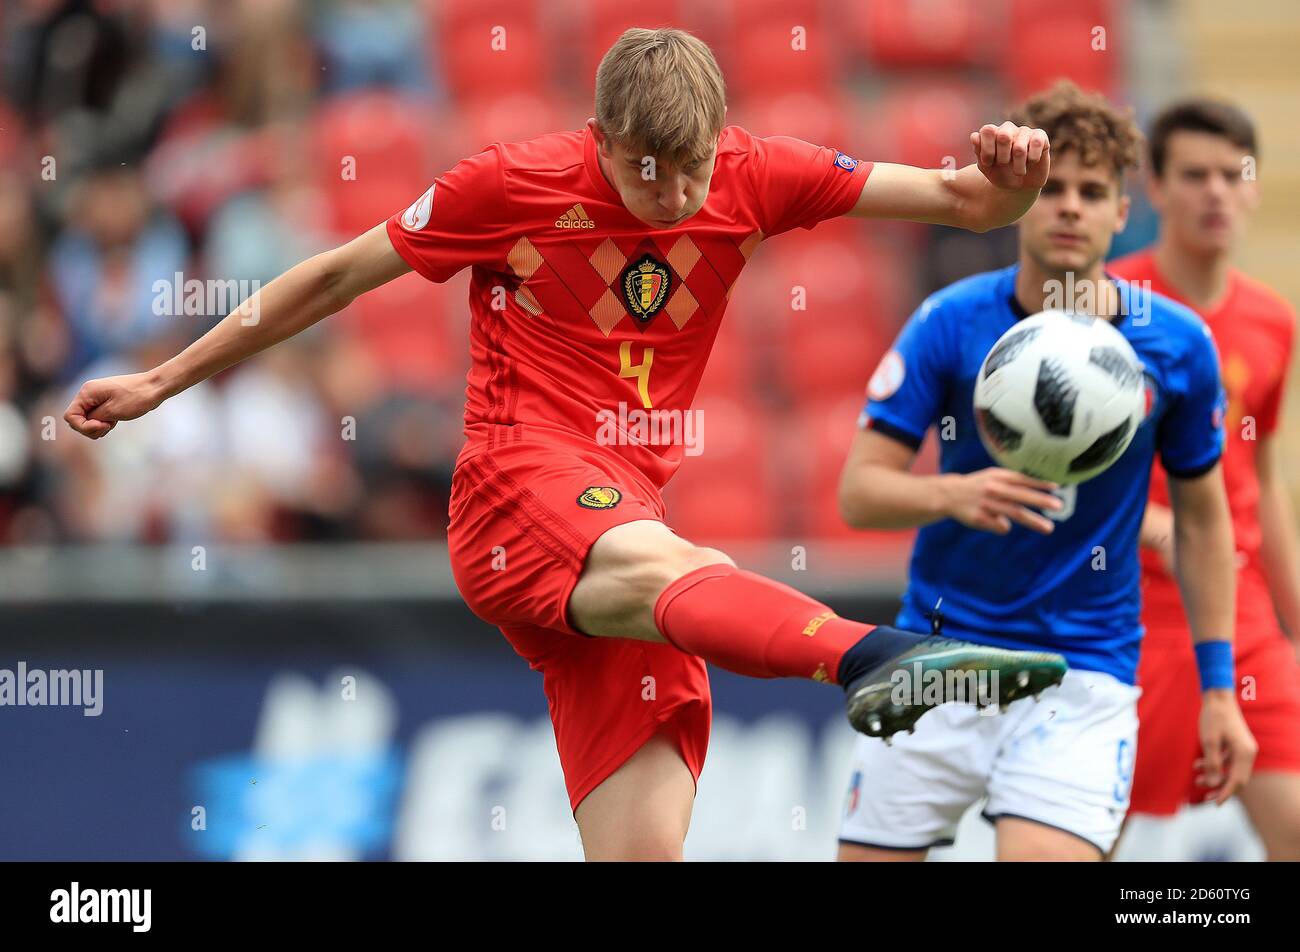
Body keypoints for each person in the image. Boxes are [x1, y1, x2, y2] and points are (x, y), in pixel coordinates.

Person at [64, 28, 1067, 861]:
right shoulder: (509, 186)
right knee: (682, 564)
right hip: (518, 492)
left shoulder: (758, 174)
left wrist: (1015, 181)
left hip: (623, 512)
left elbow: (967, 201)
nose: (676, 195)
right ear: (600, 138)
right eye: (649, 171)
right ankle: (880, 659)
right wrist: (162, 379)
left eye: (696, 168)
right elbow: (333, 277)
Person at [836, 82, 1255, 862]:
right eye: (1052, 186)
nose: (1069, 207)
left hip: (1081, 675)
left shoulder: (1177, 345)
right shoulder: (950, 320)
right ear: (1019, 196)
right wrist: (953, 493)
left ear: (1122, 213)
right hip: (936, 662)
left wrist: (1220, 688)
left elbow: (1202, 523)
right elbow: (860, 493)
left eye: (1093, 192)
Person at [1110, 99, 1300, 860]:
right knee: (1073, 842)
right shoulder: (1107, 308)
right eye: (1194, 175)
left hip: (1242, 619)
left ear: (1255, 186)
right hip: (1125, 620)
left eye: (1233, 174)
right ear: (1155, 189)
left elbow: (1260, 478)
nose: (1216, 192)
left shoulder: (1271, 321)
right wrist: (1150, 528)